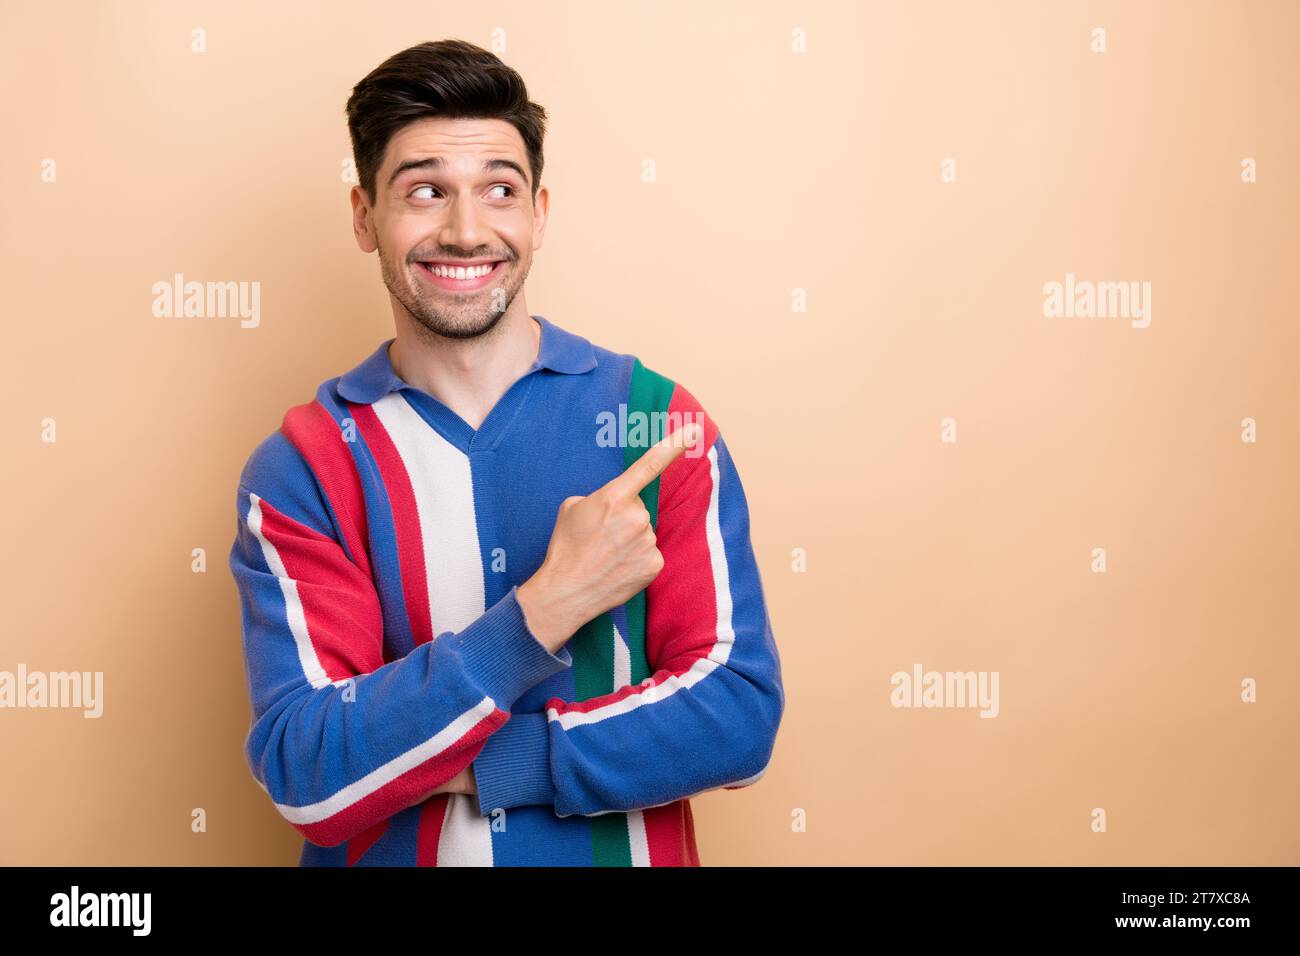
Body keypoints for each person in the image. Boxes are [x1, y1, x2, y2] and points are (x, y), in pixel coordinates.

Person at [228, 38, 784, 866]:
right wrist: (545, 610)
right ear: (363, 217)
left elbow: (738, 716)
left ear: (539, 214)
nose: (465, 229)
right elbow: (310, 773)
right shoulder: (305, 466)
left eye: (499, 189)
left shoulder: (655, 423)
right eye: (425, 191)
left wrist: (497, 761)